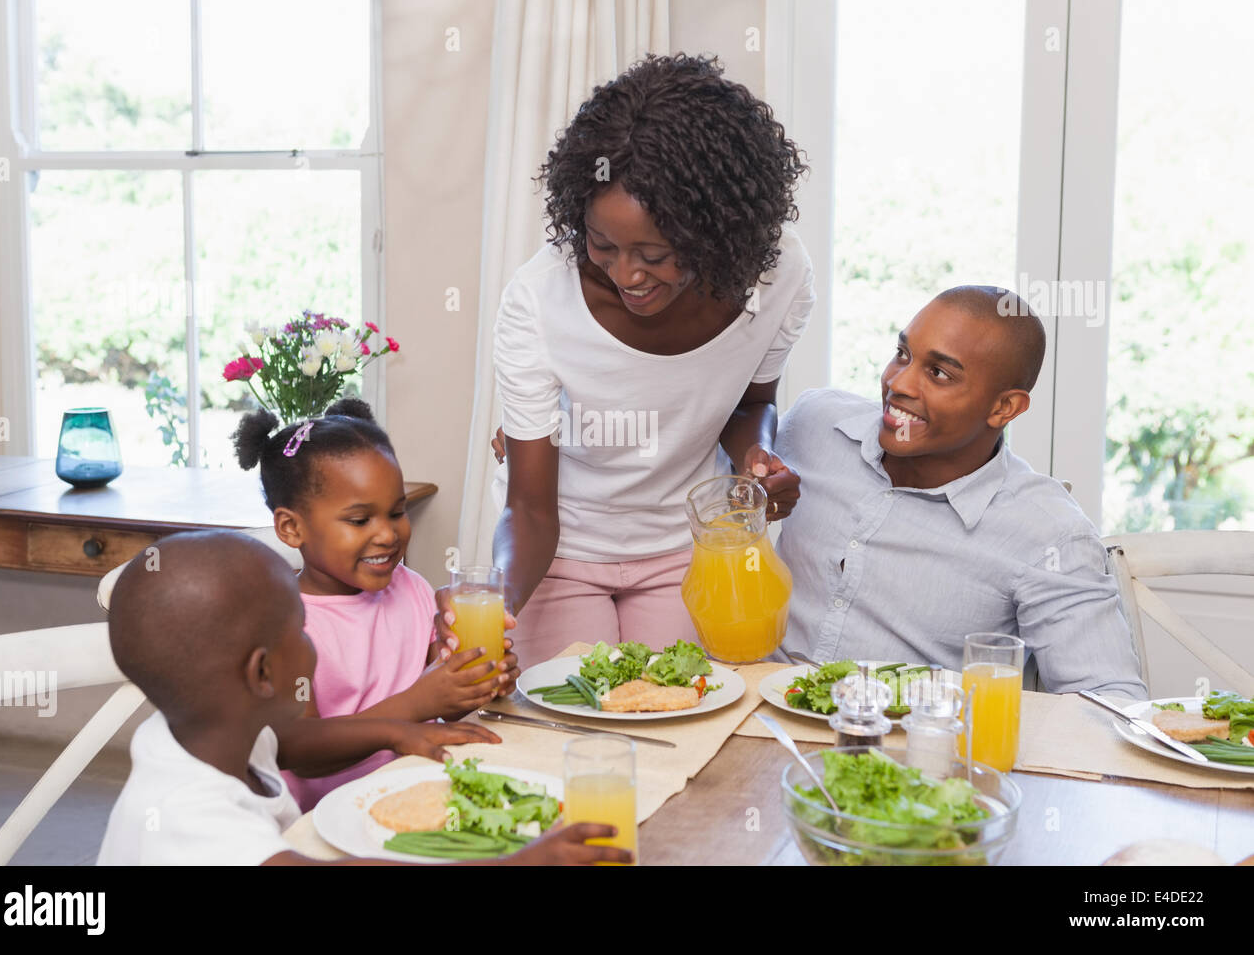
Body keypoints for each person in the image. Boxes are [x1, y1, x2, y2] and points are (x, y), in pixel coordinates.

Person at [465, 53, 815, 667]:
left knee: (694, 724)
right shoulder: (538, 301)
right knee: (560, 725)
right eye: (603, 245)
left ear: (716, 234)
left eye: (655, 254)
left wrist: (756, 461)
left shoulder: (780, 275)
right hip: (561, 547)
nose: (627, 274)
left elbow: (752, 403)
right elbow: (530, 508)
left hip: (689, 546)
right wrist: (495, 608)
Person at [98, 531, 629, 865]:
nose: (312, 639)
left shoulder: (205, 731)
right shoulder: (188, 818)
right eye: (301, 628)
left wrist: (397, 729)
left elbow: (291, 743)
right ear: (262, 673)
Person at [775, 286, 1147, 698]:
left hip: (909, 751)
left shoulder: (1049, 534)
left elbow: (1109, 702)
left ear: (1004, 408)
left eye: (939, 374)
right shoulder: (813, 425)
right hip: (754, 724)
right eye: (903, 354)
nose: (898, 383)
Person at [233, 397, 519, 811]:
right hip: (332, 821)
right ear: (292, 528)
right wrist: (419, 703)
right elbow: (295, 747)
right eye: (360, 520)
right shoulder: (282, 622)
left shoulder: (413, 589)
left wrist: (479, 681)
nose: (388, 534)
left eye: (397, 511)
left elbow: (445, 702)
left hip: (420, 797)